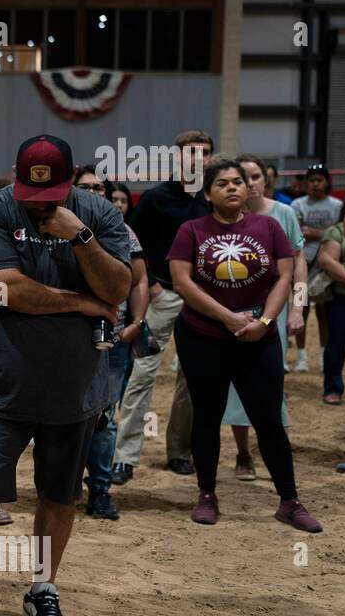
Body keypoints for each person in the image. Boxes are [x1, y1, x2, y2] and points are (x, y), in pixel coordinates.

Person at [0, 134, 131, 616]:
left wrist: (82, 239)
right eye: (31, 194)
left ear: (71, 182)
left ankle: (43, 590)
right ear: (15, 175)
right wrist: (82, 304)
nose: (40, 205)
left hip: (75, 385)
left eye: (51, 196)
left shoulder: (97, 213)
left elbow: (117, 290)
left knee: (59, 494)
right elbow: (6, 290)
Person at [169, 157, 320, 533]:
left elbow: (284, 277)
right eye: (222, 183)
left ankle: (289, 501)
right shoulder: (191, 230)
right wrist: (228, 317)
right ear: (208, 194)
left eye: (238, 181)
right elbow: (183, 282)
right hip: (203, 335)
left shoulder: (269, 226)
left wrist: (265, 322)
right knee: (207, 415)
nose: (233, 187)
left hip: (258, 337)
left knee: (268, 418)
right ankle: (207, 494)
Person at [111, 129, 212, 486]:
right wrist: (151, 282)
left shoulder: (211, 201)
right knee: (142, 376)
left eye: (204, 153)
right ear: (177, 157)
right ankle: (124, 457)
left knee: (193, 378)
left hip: (202, 301)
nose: (197, 159)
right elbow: (131, 244)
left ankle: (179, 452)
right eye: (190, 152)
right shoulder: (155, 199)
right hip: (162, 297)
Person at [74, 165, 149, 520]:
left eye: (99, 188)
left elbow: (139, 280)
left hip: (113, 339)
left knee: (103, 417)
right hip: (64, 338)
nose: (93, 193)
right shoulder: (54, 227)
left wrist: (136, 323)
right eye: (85, 187)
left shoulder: (123, 230)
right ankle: (64, 486)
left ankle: (100, 490)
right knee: (62, 416)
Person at [223, 155, 305, 476]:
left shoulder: (284, 213)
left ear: (265, 179)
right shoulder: (224, 217)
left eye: (255, 176)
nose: (250, 183)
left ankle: (277, 451)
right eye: (243, 177)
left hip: (274, 309)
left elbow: (299, 262)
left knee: (271, 380)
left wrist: (298, 306)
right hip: (234, 311)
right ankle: (243, 454)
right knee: (236, 382)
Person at [291, 164, 341, 373]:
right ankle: (301, 357)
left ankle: (322, 356)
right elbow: (296, 233)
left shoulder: (337, 205)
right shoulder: (297, 204)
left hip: (325, 267)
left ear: (327, 182)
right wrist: (324, 232)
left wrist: (317, 233)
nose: (315, 184)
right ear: (306, 183)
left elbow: (339, 233)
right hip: (301, 264)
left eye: (319, 180)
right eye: (311, 180)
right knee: (300, 310)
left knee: (323, 313)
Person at [317, 194, 345, 405]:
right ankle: (333, 388)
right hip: (343, 296)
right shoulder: (337, 230)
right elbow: (327, 261)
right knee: (337, 343)